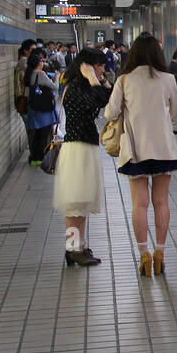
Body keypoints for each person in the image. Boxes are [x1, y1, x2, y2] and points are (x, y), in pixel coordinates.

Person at [104, 32, 177, 276]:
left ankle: (144, 254)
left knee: (140, 203)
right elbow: (174, 113)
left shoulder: (124, 80)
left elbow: (110, 113)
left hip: (136, 150)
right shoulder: (169, 78)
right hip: (164, 149)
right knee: (161, 201)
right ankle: (160, 252)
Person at [55, 48, 112, 266]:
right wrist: (93, 79)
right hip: (76, 149)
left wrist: (101, 81)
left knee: (82, 202)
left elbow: (110, 101)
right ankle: (72, 248)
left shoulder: (85, 86)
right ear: (87, 66)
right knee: (74, 202)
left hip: (86, 147)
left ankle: (79, 246)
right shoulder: (74, 89)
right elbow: (95, 102)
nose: (103, 70)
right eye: (100, 65)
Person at [23, 48, 60, 165]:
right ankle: (40, 157)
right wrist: (57, 78)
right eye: (41, 61)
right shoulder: (41, 74)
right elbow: (55, 87)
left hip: (34, 108)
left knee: (37, 134)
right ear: (38, 63)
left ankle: (34, 157)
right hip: (44, 110)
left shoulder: (30, 74)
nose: (43, 62)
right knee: (44, 134)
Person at [14, 39, 36, 115]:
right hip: (25, 97)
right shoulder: (23, 62)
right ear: (25, 51)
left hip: (29, 96)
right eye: (32, 50)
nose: (34, 53)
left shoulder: (28, 61)